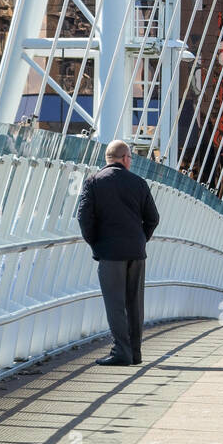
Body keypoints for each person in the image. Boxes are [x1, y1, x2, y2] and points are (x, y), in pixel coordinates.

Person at [77, 139, 159, 367]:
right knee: (134, 303)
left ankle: (121, 352)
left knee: (115, 304)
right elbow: (153, 218)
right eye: (131, 158)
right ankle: (135, 353)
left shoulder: (93, 182)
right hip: (136, 252)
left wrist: (96, 244)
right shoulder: (139, 183)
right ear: (124, 159)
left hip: (109, 253)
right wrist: (141, 239)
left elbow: (84, 219)